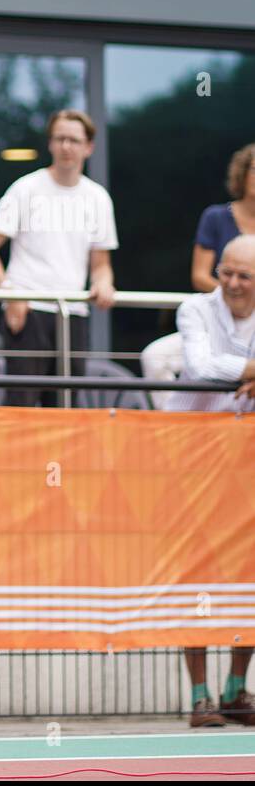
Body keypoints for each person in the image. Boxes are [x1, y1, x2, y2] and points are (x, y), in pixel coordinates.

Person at [166, 234, 255, 726]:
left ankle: (236, 691)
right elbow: (201, 367)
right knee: (195, 572)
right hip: (192, 458)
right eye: (227, 272)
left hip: (246, 460)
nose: (233, 284)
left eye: (245, 276)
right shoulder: (194, 308)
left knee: (250, 571)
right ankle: (201, 697)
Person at [0, 110, 117, 407]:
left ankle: (57, 458)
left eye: (74, 140)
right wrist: (11, 294)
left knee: (65, 409)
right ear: (50, 144)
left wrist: (104, 284)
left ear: (88, 147)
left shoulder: (97, 197)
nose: (66, 147)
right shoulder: (26, 189)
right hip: (29, 309)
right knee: (22, 406)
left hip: (73, 313)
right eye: (60, 139)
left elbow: (101, 265)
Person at [191, 143, 255, 292]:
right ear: (243, 173)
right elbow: (200, 277)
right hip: (221, 310)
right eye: (254, 169)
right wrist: (236, 294)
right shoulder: (215, 217)